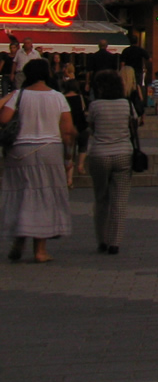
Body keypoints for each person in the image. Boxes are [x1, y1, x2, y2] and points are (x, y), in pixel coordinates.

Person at [0, 58, 75, 262]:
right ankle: (40, 250)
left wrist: (9, 96)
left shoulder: (19, 95)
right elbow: (67, 130)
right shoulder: (58, 97)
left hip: (20, 152)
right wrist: (69, 158)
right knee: (44, 198)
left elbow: (4, 119)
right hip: (50, 150)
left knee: (21, 196)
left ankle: (19, 239)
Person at [85, 70, 138, 255]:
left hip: (99, 154)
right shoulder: (127, 104)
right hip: (123, 153)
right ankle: (115, 242)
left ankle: (102, 240)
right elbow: (134, 124)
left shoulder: (95, 105)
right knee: (120, 200)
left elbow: (91, 127)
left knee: (101, 198)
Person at [60, 72, 88, 188]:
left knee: (68, 154)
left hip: (68, 128)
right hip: (81, 126)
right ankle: (81, 165)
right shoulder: (80, 97)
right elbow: (83, 110)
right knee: (83, 145)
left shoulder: (62, 97)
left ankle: (69, 180)